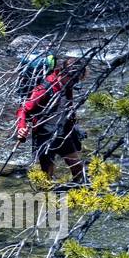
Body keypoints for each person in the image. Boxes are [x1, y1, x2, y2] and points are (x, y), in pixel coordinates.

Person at [16, 56, 88, 184]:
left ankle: (78, 194)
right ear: (63, 72)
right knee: (47, 176)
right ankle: (46, 200)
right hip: (45, 135)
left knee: (78, 168)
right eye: (72, 78)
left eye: (77, 79)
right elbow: (24, 109)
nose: (74, 82)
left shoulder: (67, 84)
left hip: (63, 132)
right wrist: (21, 128)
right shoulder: (45, 88)